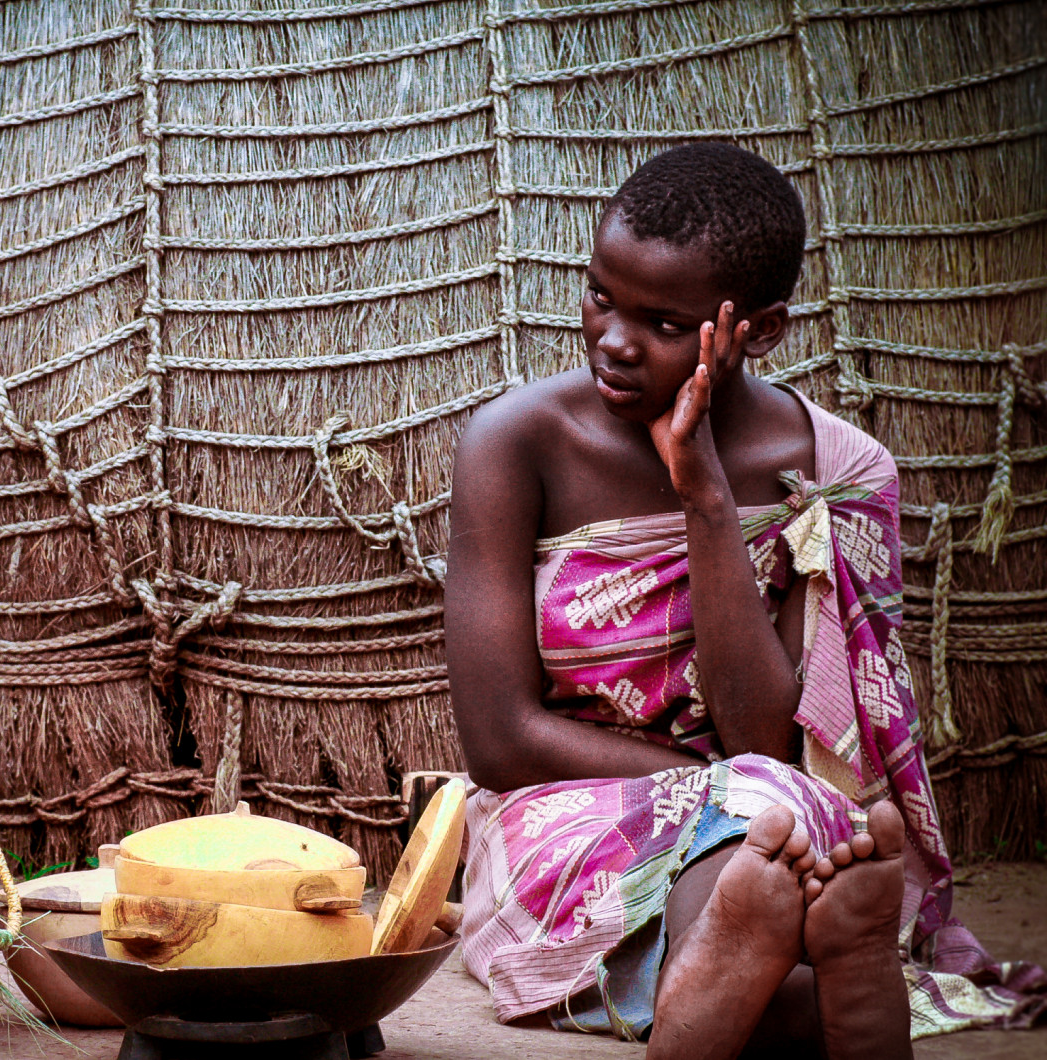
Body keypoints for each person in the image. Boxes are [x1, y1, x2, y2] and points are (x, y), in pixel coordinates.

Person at [445, 143, 1043, 1059]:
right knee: (757, 839)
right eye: (601, 295)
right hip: (560, 816)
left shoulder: (832, 475)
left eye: (664, 323)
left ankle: (740, 989)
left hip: (774, 817)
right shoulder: (515, 443)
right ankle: (814, 986)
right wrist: (713, 790)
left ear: (758, 331)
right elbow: (500, 742)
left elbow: (768, 737)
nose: (614, 340)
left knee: (757, 852)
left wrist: (707, 498)